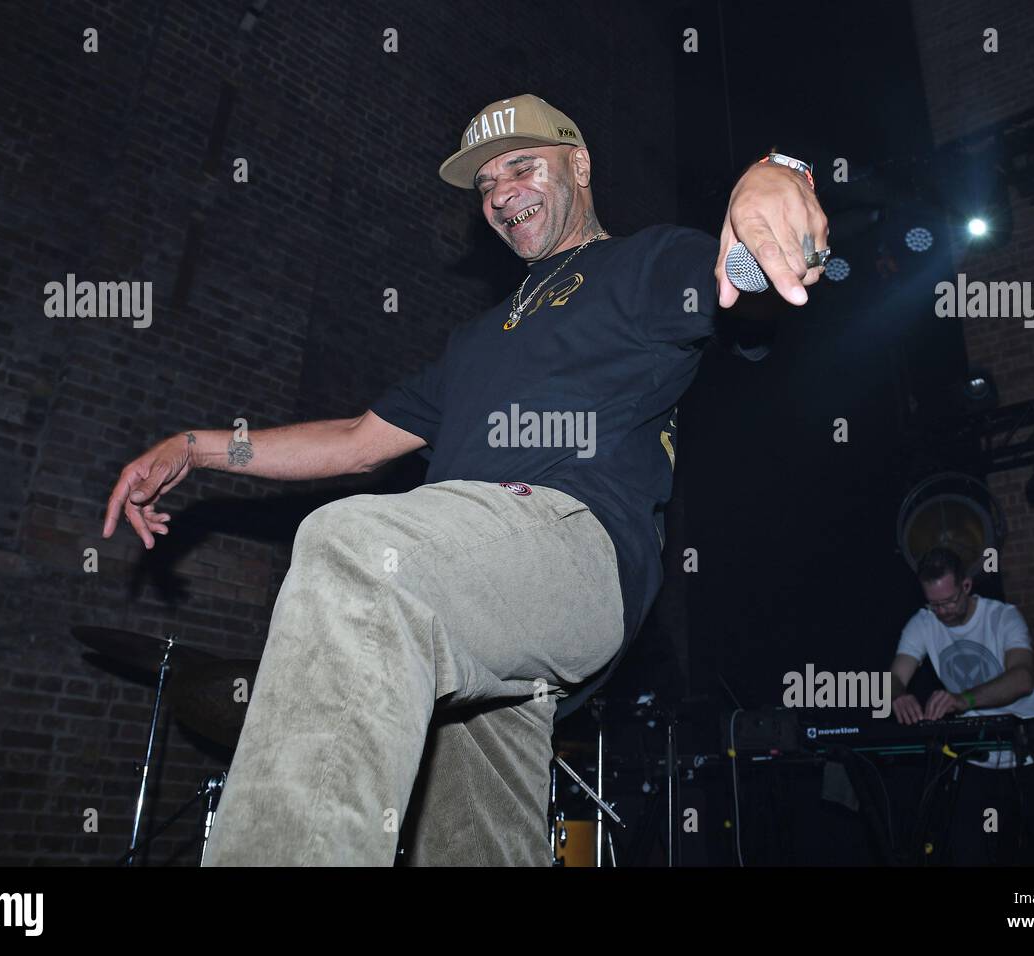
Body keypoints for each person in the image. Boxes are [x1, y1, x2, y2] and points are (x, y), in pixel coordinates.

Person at [102, 93, 829, 865]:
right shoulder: (476, 340)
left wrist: (770, 183)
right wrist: (199, 447)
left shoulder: (643, 265)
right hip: (477, 612)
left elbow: (740, 282)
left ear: (578, 166)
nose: (503, 194)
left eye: (523, 168)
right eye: (485, 185)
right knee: (471, 843)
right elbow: (354, 442)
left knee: (358, 550)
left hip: (571, 552)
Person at [889, 547, 1034, 864]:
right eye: (934, 604)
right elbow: (894, 677)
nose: (943, 611)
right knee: (968, 854)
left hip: (1032, 755)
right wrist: (898, 695)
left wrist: (963, 700)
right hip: (977, 759)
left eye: (949, 601)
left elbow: (1022, 678)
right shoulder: (923, 623)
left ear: (966, 586)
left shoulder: (1002, 617)